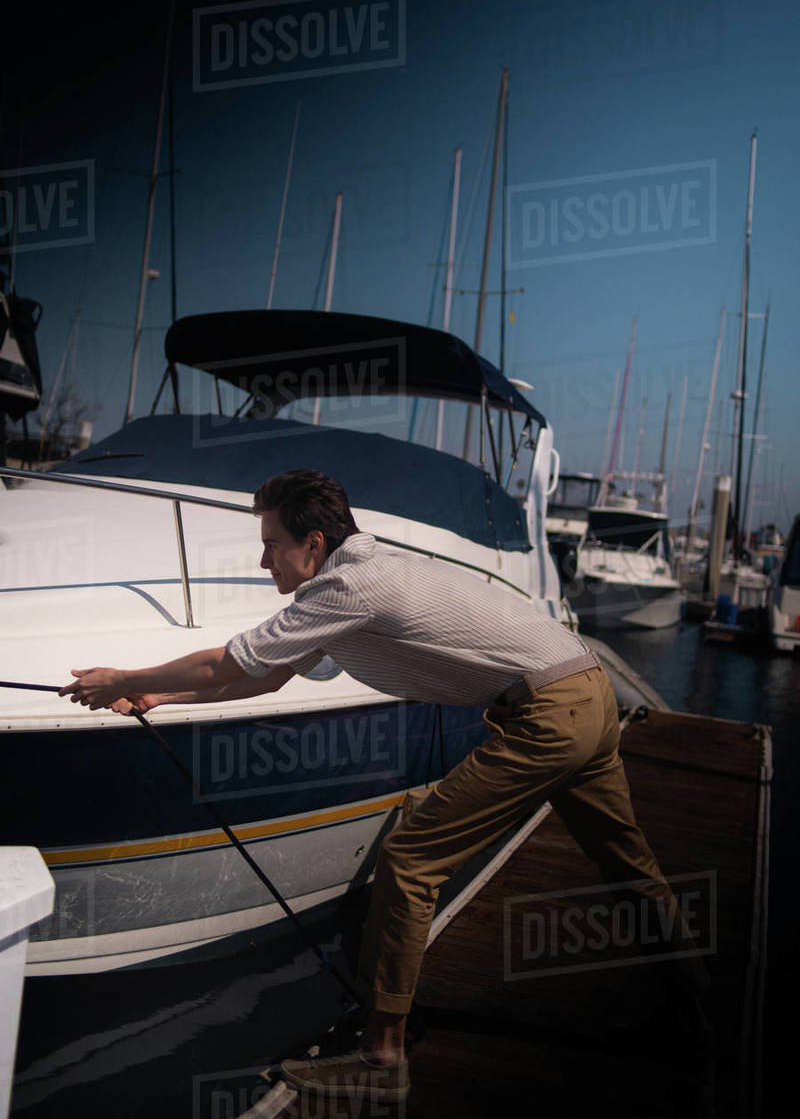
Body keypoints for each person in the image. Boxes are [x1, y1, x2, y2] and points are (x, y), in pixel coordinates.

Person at [61, 469, 709, 1103]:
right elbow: (267, 678)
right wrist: (156, 695)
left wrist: (119, 677)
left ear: (312, 545)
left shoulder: (348, 588)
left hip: (548, 713)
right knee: (629, 865)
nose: (264, 562)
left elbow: (229, 661)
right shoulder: (364, 576)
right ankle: (694, 1018)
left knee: (411, 860)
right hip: (587, 690)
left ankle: (382, 1057)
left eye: (271, 544)